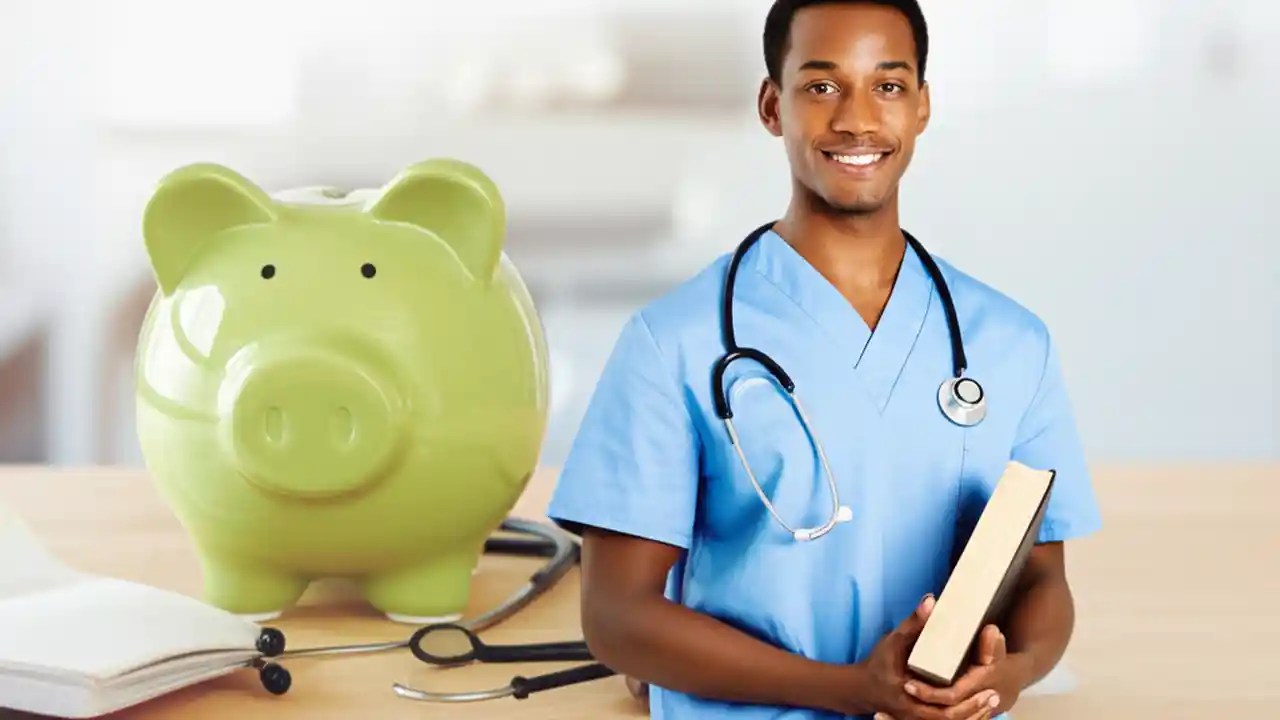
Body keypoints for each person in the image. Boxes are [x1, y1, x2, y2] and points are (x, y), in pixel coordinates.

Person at [545, 1, 1102, 718]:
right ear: (772, 106)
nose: (857, 119)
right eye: (822, 86)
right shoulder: (673, 343)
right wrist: (850, 692)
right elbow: (617, 618)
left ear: (923, 106)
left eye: (889, 86)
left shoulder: (1012, 344)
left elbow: (1042, 581)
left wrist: (1012, 673)